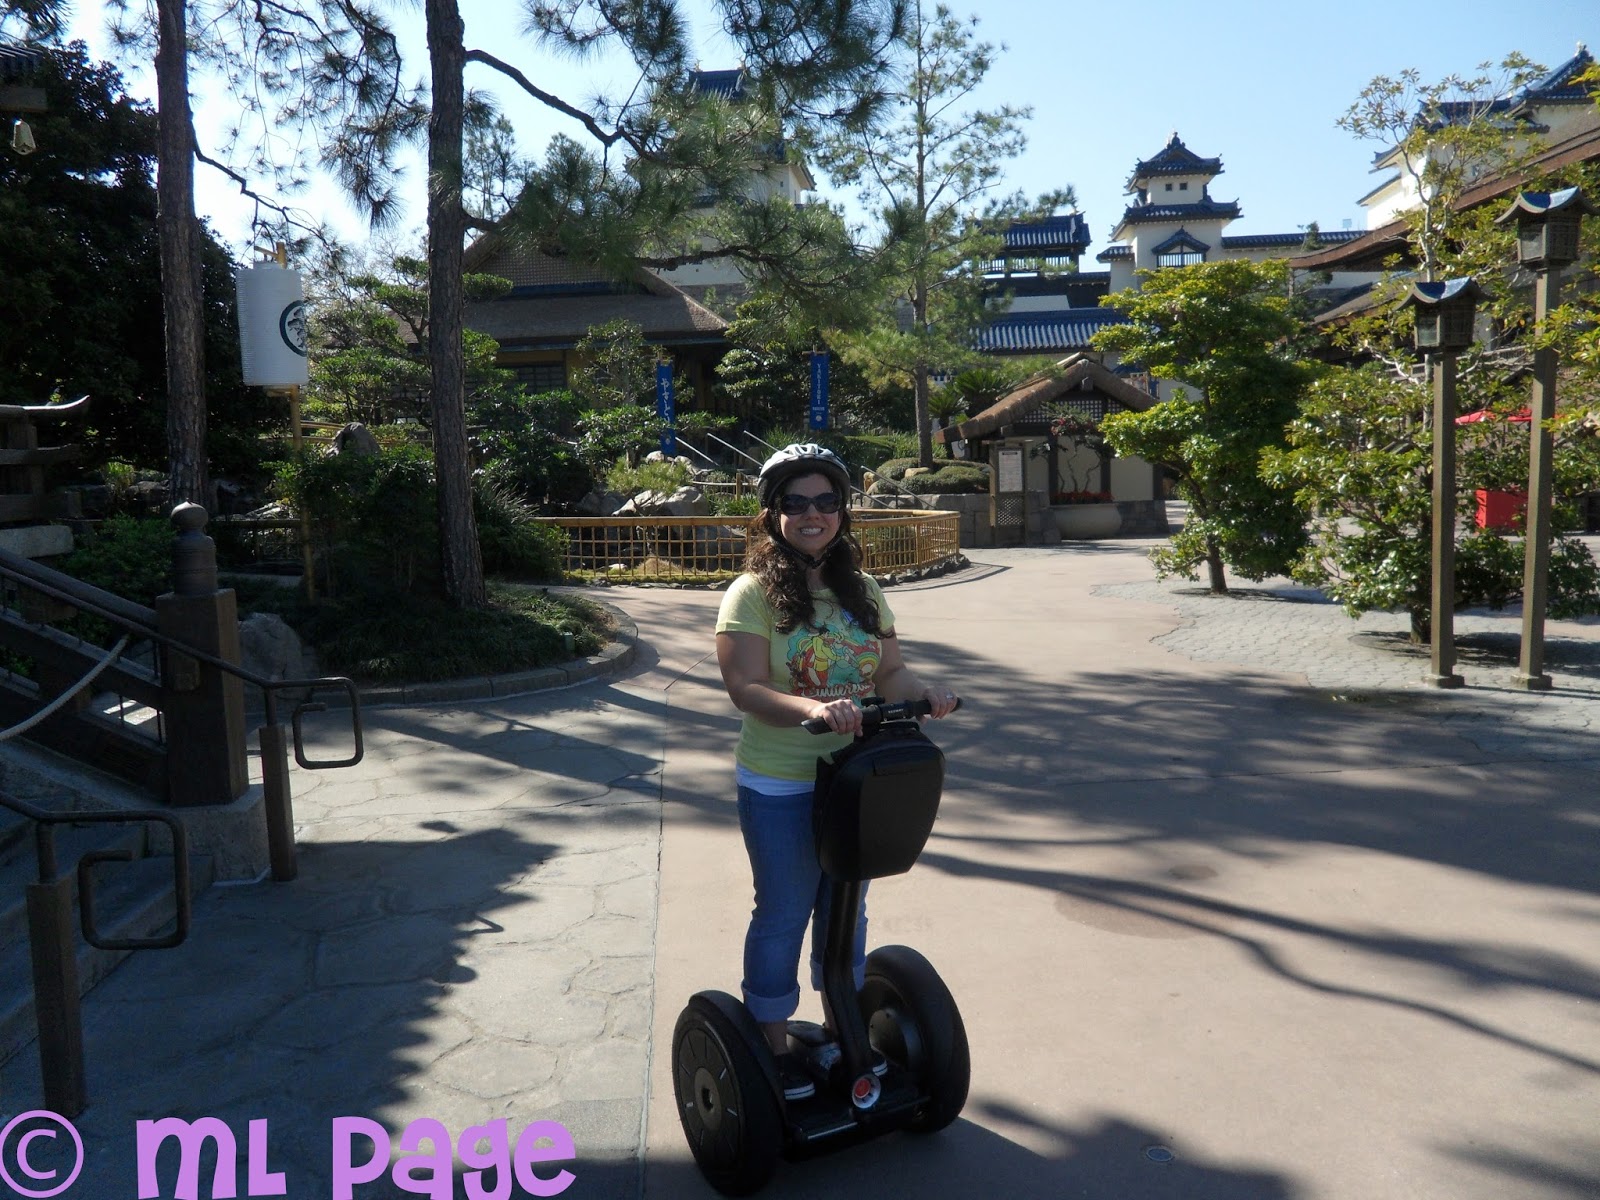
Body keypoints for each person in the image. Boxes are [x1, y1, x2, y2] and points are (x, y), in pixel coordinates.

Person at [714, 443, 958, 1100]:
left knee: (848, 913)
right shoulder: (751, 594)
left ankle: (842, 1031)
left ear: (842, 512)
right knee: (785, 911)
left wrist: (923, 693)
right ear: (773, 515)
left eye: (825, 502)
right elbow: (746, 687)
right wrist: (814, 709)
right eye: (796, 504)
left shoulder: (865, 590)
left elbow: (890, 672)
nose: (812, 514)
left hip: (857, 779)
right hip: (784, 782)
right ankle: (772, 1049)